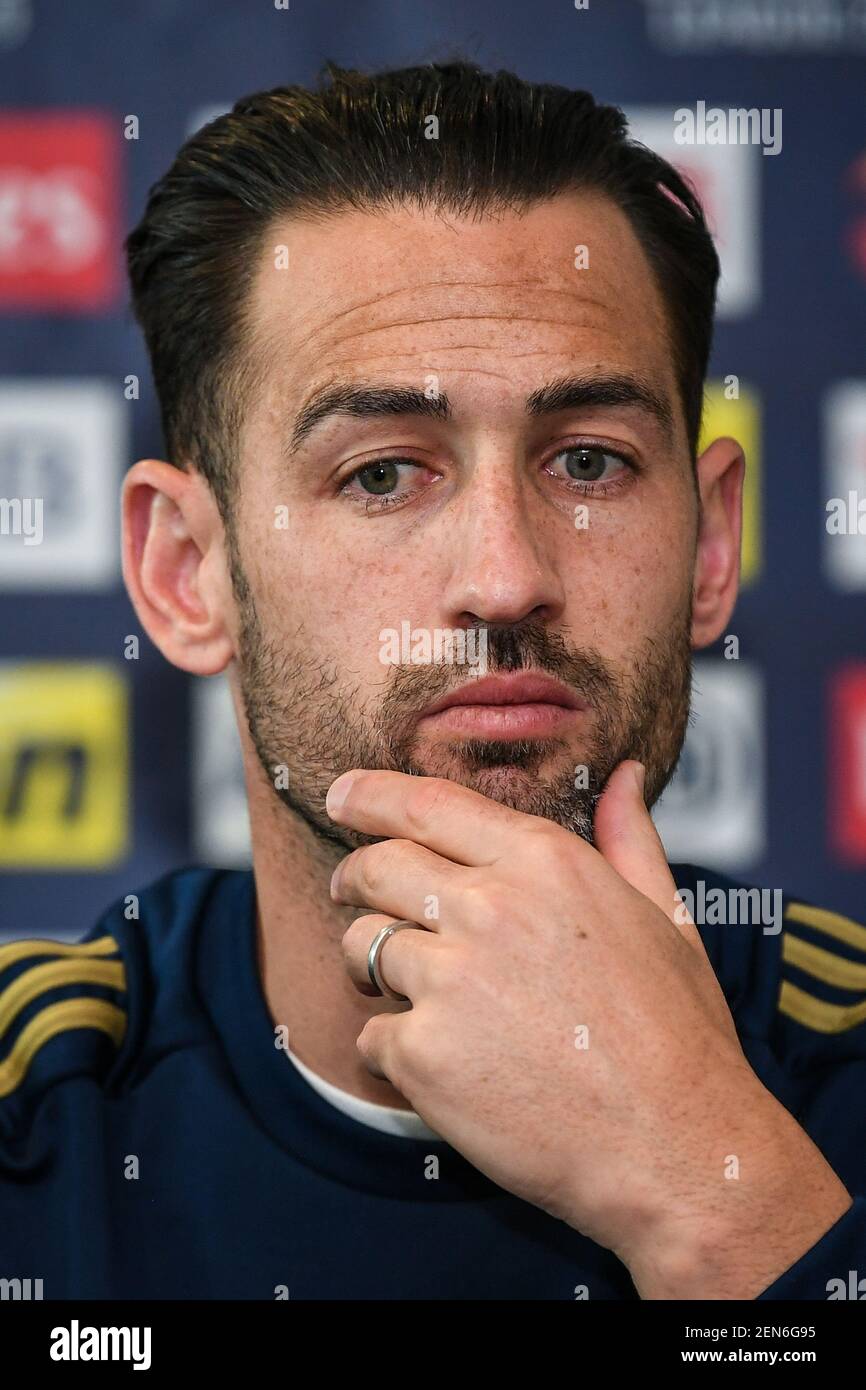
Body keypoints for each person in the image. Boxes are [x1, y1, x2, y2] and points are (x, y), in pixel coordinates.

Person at [1, 60, 864, 1301]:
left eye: (586, 460)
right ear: (188, 572)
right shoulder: (34, 1115)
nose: (506, 579)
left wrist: (709, 1196)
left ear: (710, 544)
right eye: (382, 475)